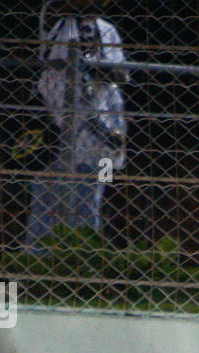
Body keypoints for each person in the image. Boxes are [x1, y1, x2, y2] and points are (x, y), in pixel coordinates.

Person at [25, 0, 127, 252]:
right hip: (53, 129)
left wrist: (99, 65)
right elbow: (54, 9)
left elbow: (120, 74)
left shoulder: (106, 30)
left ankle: (80, 261)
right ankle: (36, 264)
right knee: (45, 200)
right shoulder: (58, 21)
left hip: (99, 134)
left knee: (90, 201)